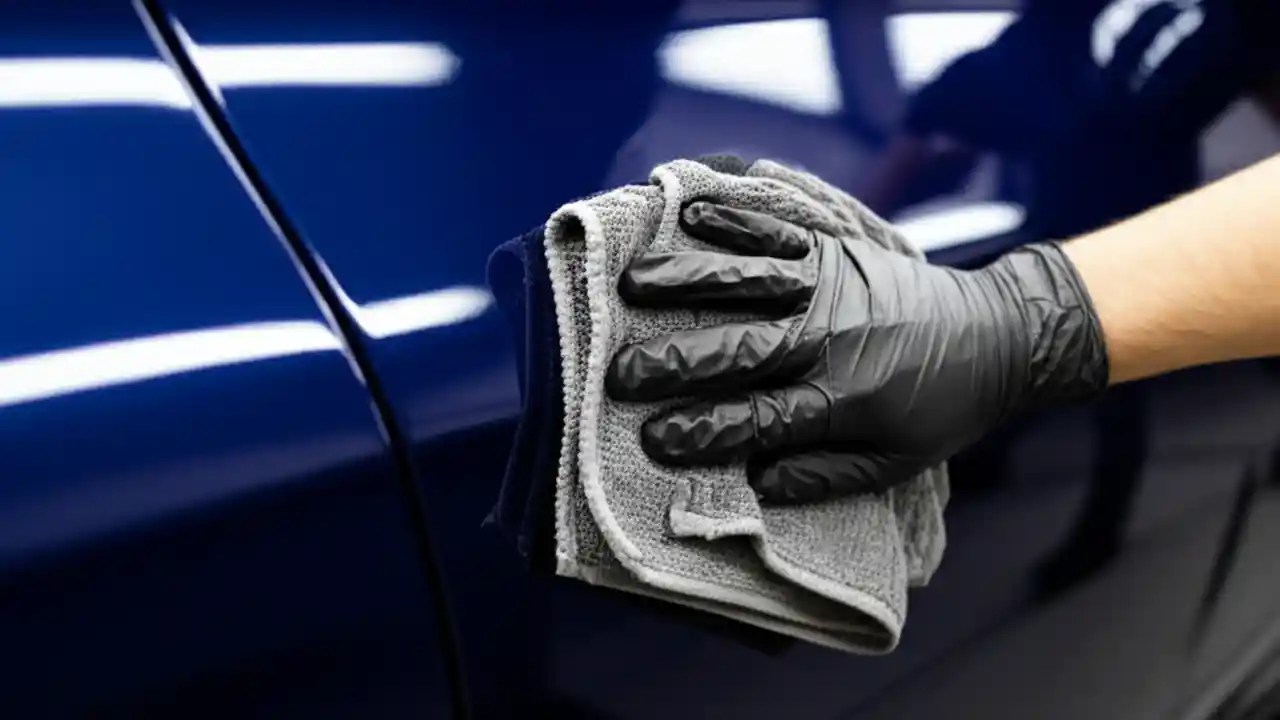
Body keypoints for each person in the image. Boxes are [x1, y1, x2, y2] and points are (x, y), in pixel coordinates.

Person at [605, 152, 1280, 504]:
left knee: (1118, 424)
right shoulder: (990, 67)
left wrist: (1026, 320)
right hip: (1069, 249)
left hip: (1137, 276)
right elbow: (899, 169)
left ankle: (1098, 535)